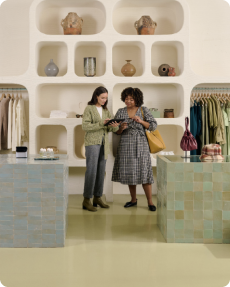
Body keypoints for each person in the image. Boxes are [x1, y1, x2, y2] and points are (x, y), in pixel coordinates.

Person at [112, 87, 158, 211]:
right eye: (126, 99)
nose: (128, 101)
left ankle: (150, 202)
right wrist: (121, 128)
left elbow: (153, 126)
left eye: (131, 99)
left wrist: (141, 121)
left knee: (144, 172)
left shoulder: (143, 110)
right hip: (126, 144)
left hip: (141, 144)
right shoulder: (121, 111)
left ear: (137, 99)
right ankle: (133, 200)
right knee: (130, 172)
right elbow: (116, 131)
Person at [82, 86, 120, 212]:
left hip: (104, 144)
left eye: (106, 98)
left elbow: (110, 129)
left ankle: (97, 197)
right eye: (102, 97)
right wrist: (102, 124)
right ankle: (86, 200)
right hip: (92, 143)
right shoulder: (89, 108)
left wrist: (115, 126)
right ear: (96, 96)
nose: (104, 100)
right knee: (91, 171)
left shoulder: (106, 110)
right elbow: (85, 126)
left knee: (101, 171)